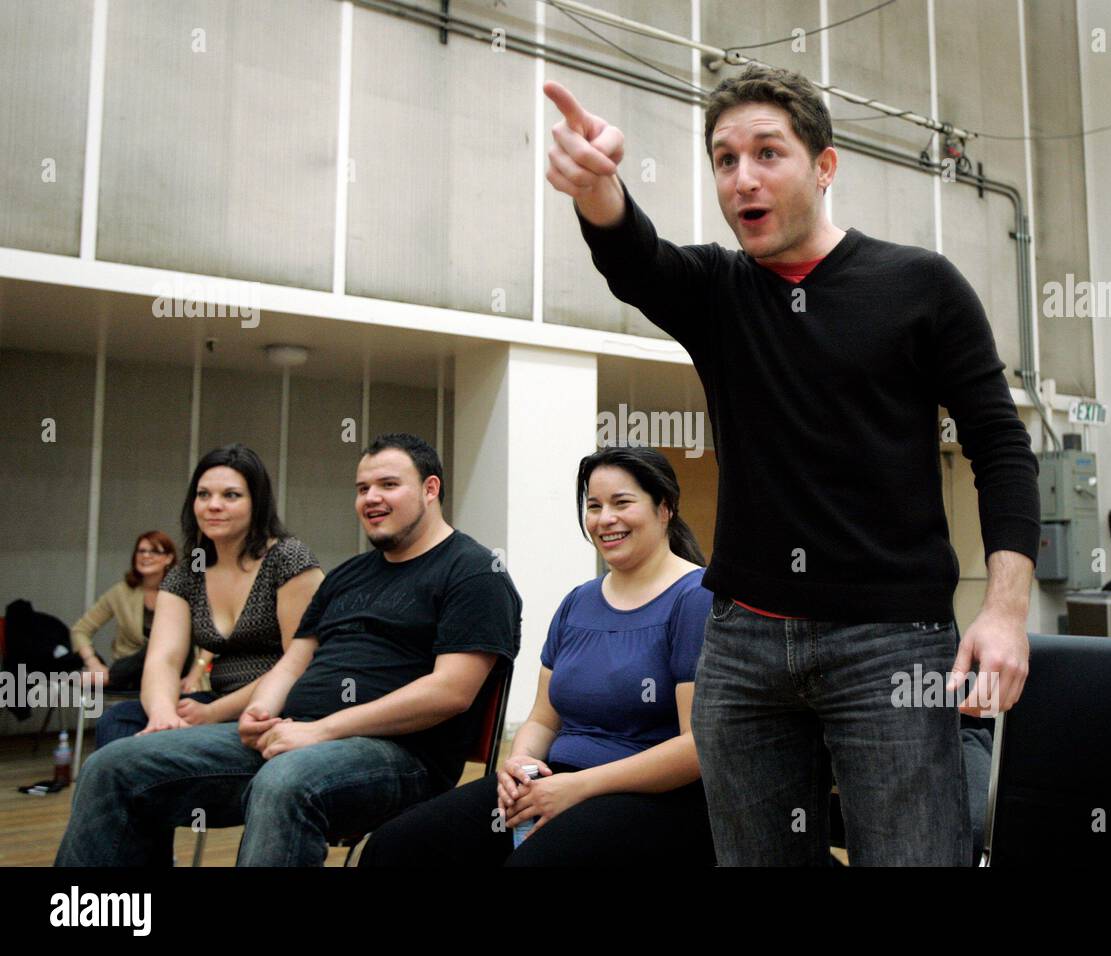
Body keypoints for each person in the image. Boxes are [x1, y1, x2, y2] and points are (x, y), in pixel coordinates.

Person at [544, 65, 1040, 866]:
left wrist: (1006, 609)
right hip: (741, 645)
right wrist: (599, 191)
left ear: (825, 166)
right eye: (724, 159)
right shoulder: (718, 289)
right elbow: (637, 262)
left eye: (768, 153)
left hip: (891, 642)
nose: (743, 178)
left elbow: (1001, 444)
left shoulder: (921, 286)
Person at [55, 433, 522, 867]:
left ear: (430, 489)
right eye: (362, 488)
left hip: (400, 758)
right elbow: (295, 660)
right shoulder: (349, 575)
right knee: (112, 766)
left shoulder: (475, 572)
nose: (371, 498)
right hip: (292, 737)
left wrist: (321, 731)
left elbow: (449, 692)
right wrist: (259, 709)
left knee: (286, 781)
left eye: (388, 484)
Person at [360, 446, 714, 867]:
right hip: (554, 779)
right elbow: (544, 719)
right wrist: (520, 761)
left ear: (665, 509)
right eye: (594, 506)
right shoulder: (578, 601)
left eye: (622, 503)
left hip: (655, 798)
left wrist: (578, 787)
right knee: (396, 845)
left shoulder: (696, 598)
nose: (605, 519)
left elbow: (696, 748)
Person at [90, 445, 323, 748]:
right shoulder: (188, 573)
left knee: (160, 755)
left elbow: (299, 663)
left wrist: (213, 712)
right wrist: (163, 716)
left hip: (276, 708)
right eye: (203, 495)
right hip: (215, 701)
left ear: (257, 503)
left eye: (231, 495)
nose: (213, 505)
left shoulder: (288, 559)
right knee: (119, 719)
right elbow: (163, 660)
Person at [72, 531, 189, 690]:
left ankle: (110, 678)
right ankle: (108, 677)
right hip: (130, 672)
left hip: (173, 672)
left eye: (154, 551)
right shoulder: (121, 592)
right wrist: (93, 663)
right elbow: (80, 630)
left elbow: (201, 640)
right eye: (141, 551)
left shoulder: (182, 591)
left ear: (169, 558)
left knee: (161, 643)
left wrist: (195, 676)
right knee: (149, 651)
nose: (146, 556)